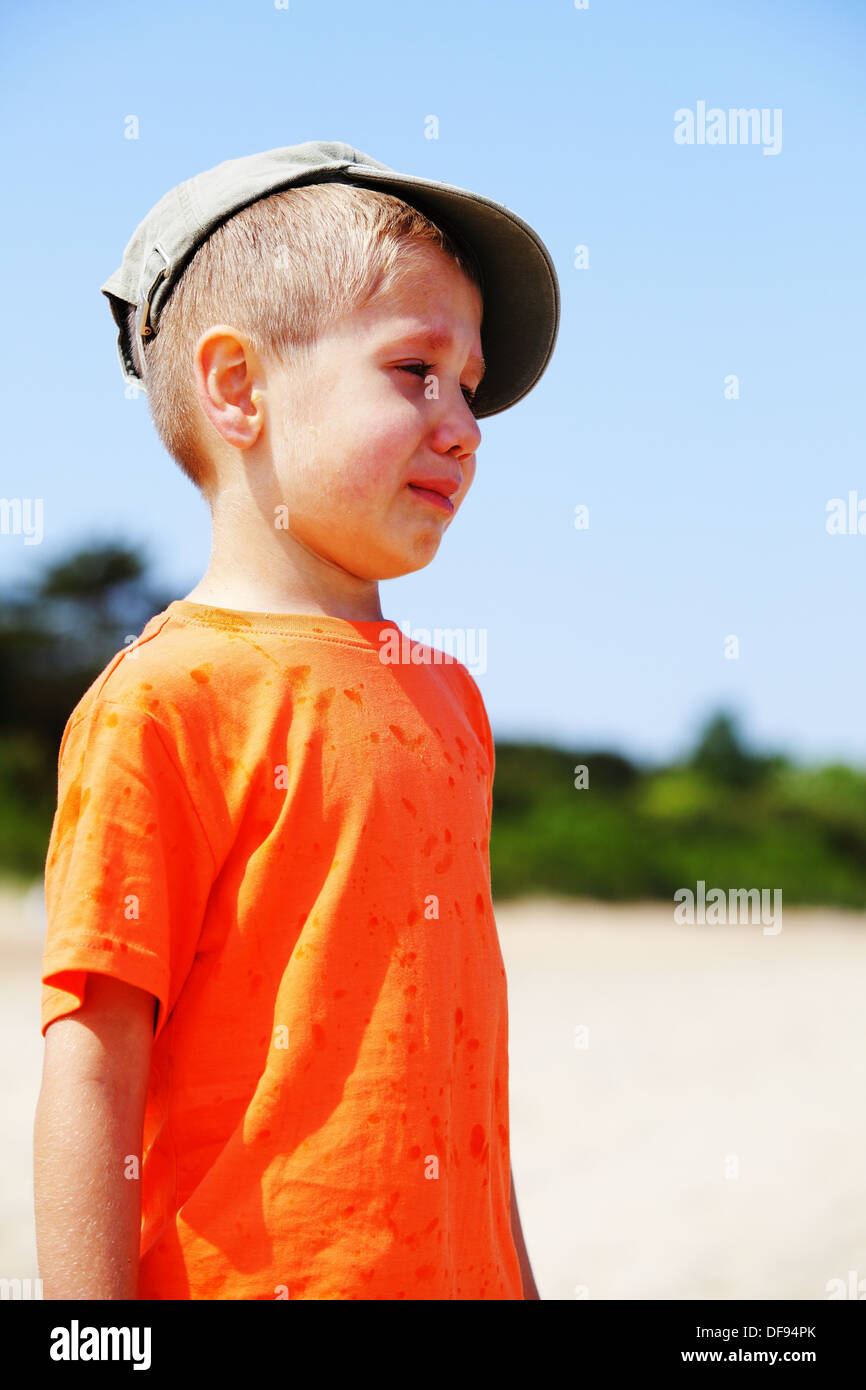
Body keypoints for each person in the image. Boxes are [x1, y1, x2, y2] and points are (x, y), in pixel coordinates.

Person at [33, 140, 560, 1300]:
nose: (462, 423)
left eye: (470, 385)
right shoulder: (169, 698)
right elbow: (92, 1068)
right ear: (237, 388)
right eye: (415, 369)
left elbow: (458, 1058)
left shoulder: (449, 696)